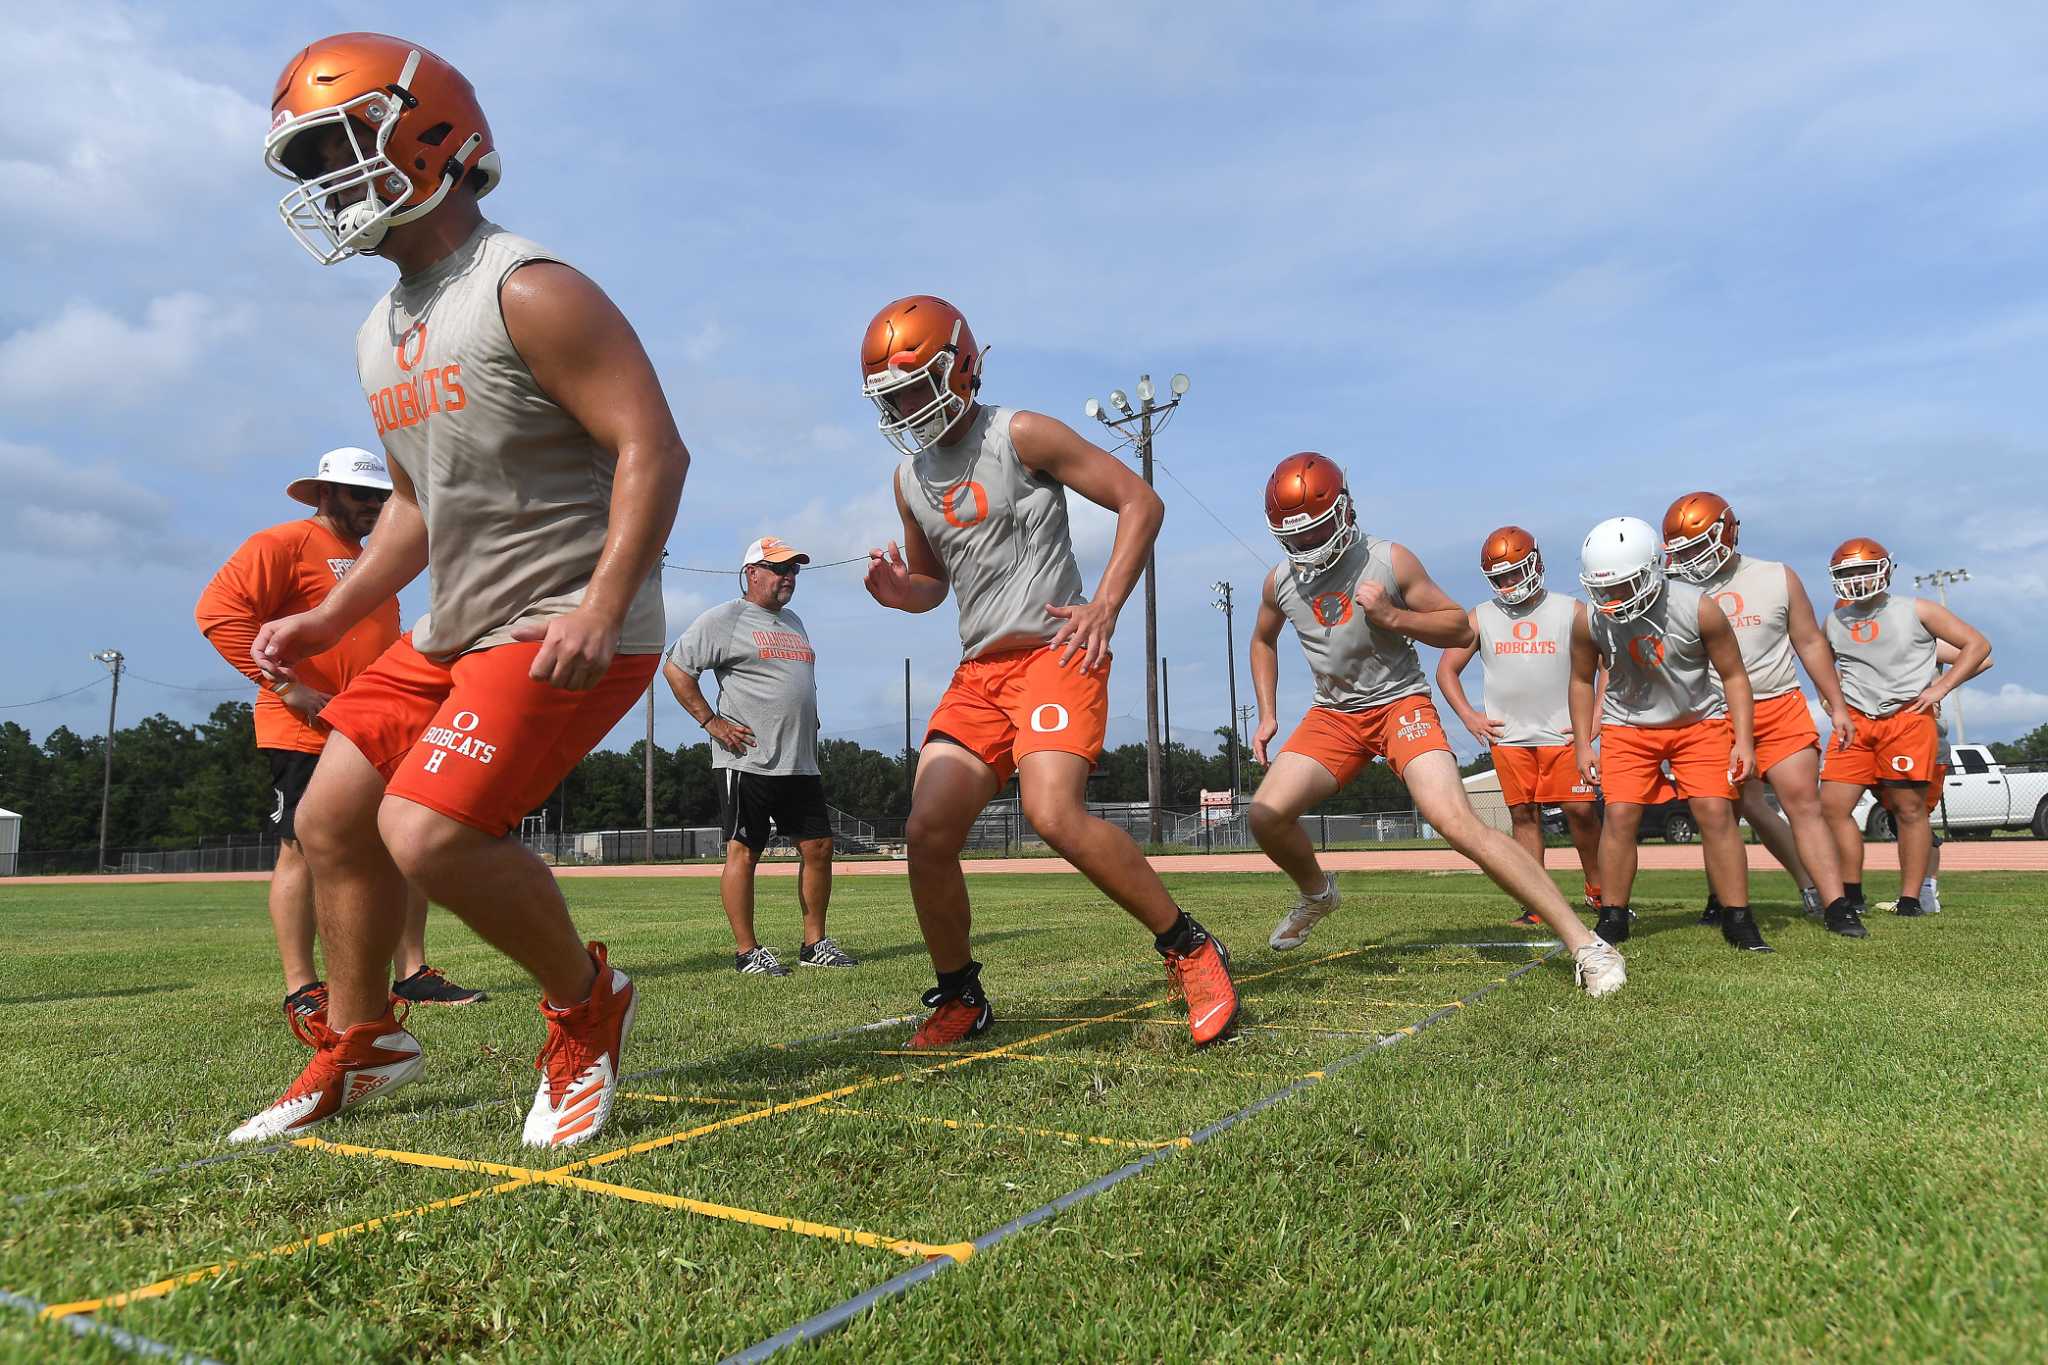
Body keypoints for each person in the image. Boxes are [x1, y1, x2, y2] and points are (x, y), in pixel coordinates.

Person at [231, 33, 688, 1149]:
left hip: (564, 623)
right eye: (309, 164)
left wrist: (599, 598)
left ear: (426, 133)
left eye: (336, 147)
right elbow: (417, 508)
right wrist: (329, 614)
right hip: (452, 630)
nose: (325, 182)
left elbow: (653, 449)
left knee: (426, 834)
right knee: (330, 818)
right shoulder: (377, 333)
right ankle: (368, 1040)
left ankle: (588, 1010)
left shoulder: (527, 287)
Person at [859, 295, 1241, 1047]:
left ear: (962, 365)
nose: (907, 406)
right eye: (891, 396)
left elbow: (1140, 501)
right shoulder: (908, 481)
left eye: (916, 384)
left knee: (1054, 813)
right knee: (927, 830)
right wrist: (905, 593)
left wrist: (1104, 604)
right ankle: (961, 997)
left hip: (1053, 655)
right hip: (979, 672)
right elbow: (935, 582)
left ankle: (1191, 947)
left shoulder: (1021, 432)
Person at [1246, 456, 1626, 997]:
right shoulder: (1280, 581)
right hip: (1333, 713)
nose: (1310, 546)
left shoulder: (1388, 560)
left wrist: (1394, 617)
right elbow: (1262, 640)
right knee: (1264, 815)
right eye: (1298, 537)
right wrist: (1267, 713)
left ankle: (1586, 944)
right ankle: (1317, 894)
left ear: (1345, 511)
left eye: (1320, 530)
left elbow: (1455, 627)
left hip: (1400, 704)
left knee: (1457, 822)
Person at [196, 447, 485, 1027]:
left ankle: (412, 972)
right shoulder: (282, 543)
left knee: (398, 843)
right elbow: (219, 614)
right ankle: (303, 987)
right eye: (362, 496)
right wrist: (287, 690)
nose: (375, 507)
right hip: (302, 728)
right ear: (325, 493)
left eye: (383, 497)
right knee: (302, 850)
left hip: (372, 728)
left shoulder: (373, 558)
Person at [1661, 493, 1866, 938]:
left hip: (1778, 703)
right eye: (1684, 550)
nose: (1693, 559)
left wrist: (1837, 703)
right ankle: (1727, 897)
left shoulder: (1776, 576)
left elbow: (1809, 642)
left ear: (1727, 532)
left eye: (1700, 545)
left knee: (1803, 804)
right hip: (1712, 713)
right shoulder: (1673, 592)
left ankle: (1836, 904)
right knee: (1721, 811)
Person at [1571, 516, 1766, 950]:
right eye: (1604, 588)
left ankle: (1738, 917)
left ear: (1655, 568)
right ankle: (1613, 917)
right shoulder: (1591, 620)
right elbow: (1581, 680)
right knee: (1619, 817)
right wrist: (1584, 742)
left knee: (1715, 813)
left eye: (1624, 584)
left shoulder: (1697, 606)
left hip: (1698, 721)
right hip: (1627, 725)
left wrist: (1745, 739)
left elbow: (1734, 675)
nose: (1613, 597)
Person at [664, 536, 853, 976]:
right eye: (779, 569)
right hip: (747, 758)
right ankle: (748, 951)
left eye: (794, 571)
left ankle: (814, 943)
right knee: (745, 851)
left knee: (819, 847)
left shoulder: (794, 622)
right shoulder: (725, 619)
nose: (788, 577)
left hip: (799, 761)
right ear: (752, 573)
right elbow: (676, 668)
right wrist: (711, 722)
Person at [1435, 526, 1603, 925]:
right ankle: (1538, 905)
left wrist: (1595, 718)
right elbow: (1446, 670)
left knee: (1580, 814)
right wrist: (1469, 715)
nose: (1509, 584)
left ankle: (1601, 893)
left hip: (1564, 734)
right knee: (1524, 817)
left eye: (1515, 572)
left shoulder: (1571, 609)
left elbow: (1606, 663)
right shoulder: (1482, 616)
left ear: (1536, 563)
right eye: (1500, 577)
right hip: (1510, 739)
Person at [1818, 539, 1990, 918]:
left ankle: (1911, 899)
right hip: (1857, 722)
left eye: (1864, 570)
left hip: (1907, 719)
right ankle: (1851, 894)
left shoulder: (1917, 609)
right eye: (1848, 573)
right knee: (1832, 806)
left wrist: (1941, 687)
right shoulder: (1834, 619)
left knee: (1909, 810)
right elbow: (1820, 664)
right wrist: (1831, 702)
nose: (1857, 580)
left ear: (1883, 569)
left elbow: (1978, 645)